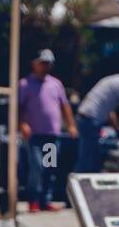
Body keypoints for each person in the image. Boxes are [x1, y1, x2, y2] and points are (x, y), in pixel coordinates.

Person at [19, 49, 77, 211]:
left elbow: (64, 106)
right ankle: (33, 199)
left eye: (48, 64)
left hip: (51, 135)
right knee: (37, 166)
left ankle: (45, 199)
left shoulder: (55, 84)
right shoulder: (25, 84)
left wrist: (71, 124)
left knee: (49, 167)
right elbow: (19, 107)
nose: (45, 67)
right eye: (43, 63)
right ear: (35, 64)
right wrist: (22, 124)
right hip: (35, 135)